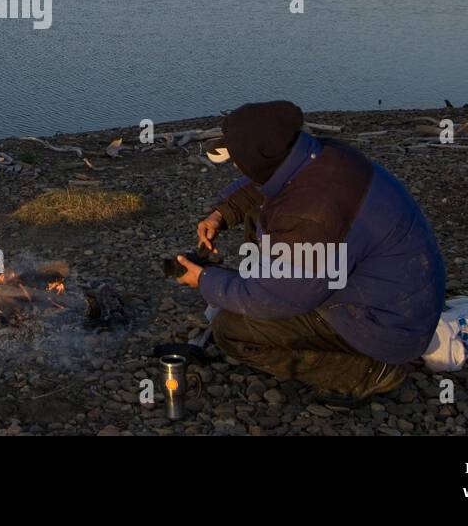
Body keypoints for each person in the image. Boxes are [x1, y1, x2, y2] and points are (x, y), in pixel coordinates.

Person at [174, 100, 446, 404]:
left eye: (237, 158)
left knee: (230, 329)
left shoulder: (311, 214)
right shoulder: (323, 156)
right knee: (259, 215)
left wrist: (205, 281)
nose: (236, 165)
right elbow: (266, 183)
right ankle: (267, 281)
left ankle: (365, 372)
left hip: (387, 325)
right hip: (392, 292)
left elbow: (277, 299)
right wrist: (222, 214)